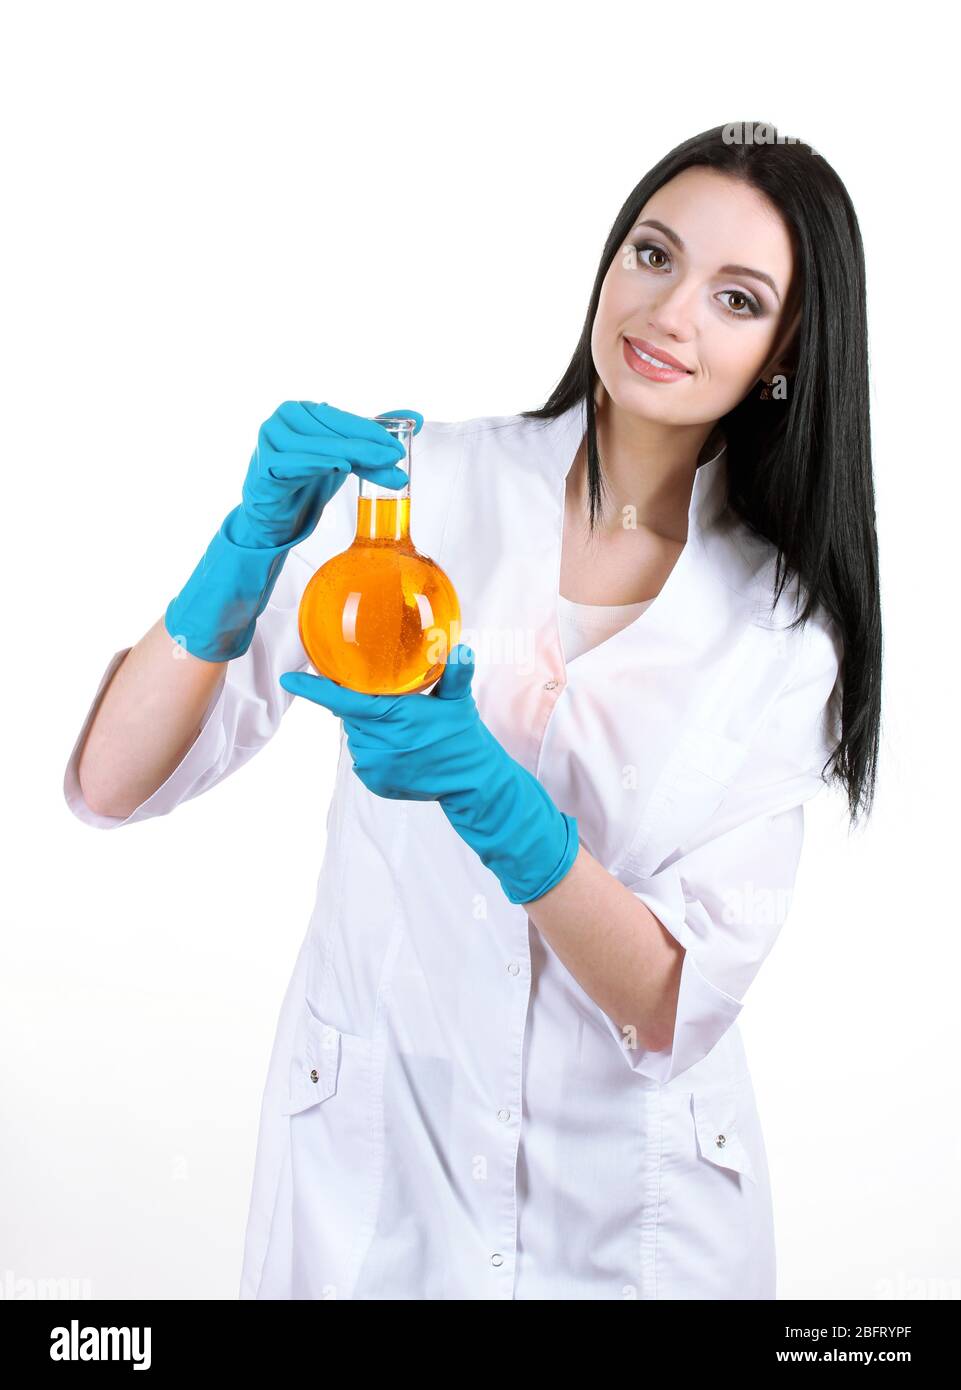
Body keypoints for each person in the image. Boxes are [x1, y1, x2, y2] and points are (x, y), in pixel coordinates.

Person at [64, 122, 881, 1300]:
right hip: (377, 1167)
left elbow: (673, 997)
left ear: (787, 350)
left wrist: (493, 797)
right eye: (653, 256)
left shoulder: (785, 629)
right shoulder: (417, 492)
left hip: (630, 1216)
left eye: (737, 298)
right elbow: (109, 780)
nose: (670, 313)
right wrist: (243, 555)